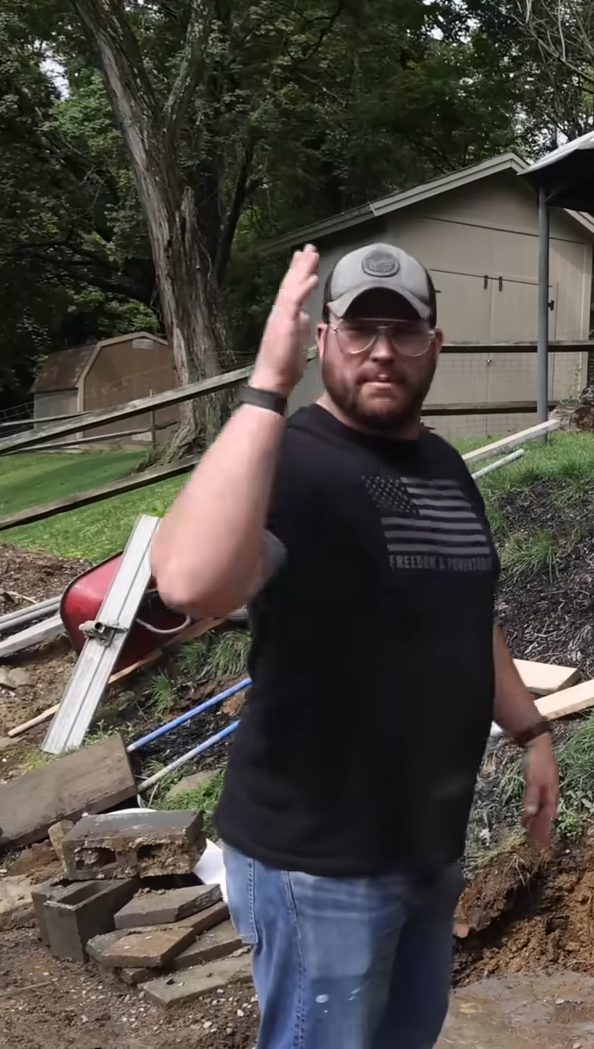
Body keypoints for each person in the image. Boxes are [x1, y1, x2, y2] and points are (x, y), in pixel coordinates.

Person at [149, 242, 560, 1049]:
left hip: (426, 848)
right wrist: (266, 387)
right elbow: (191, 582)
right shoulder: (292, 463)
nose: (381, 350)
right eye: (360, 329)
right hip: (318, 865)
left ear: (434, 346)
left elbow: (466, 611)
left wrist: (531, 729)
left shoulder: (444, 467)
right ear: (323, 339)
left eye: (404, 332)